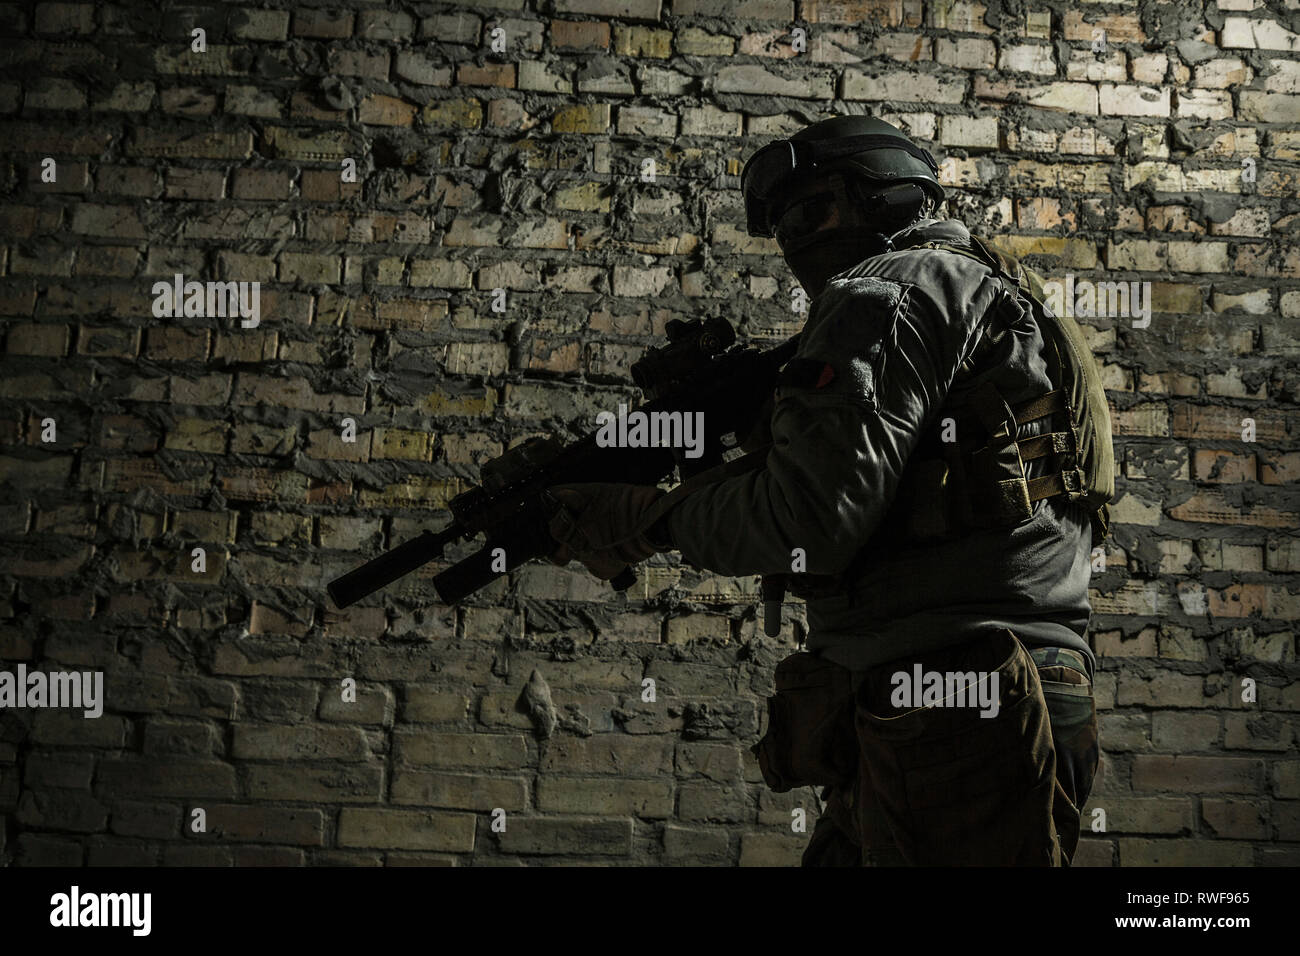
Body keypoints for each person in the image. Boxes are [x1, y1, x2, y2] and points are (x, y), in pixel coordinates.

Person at [543, 115, 1113, 866]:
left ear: (890, 195)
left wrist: (648, 521)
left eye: (814, 212)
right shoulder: (1002, 293)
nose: (795, 242)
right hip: (978, 698)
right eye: (782, 226)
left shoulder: (887, 292)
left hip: (953, 706)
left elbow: (810, 518)